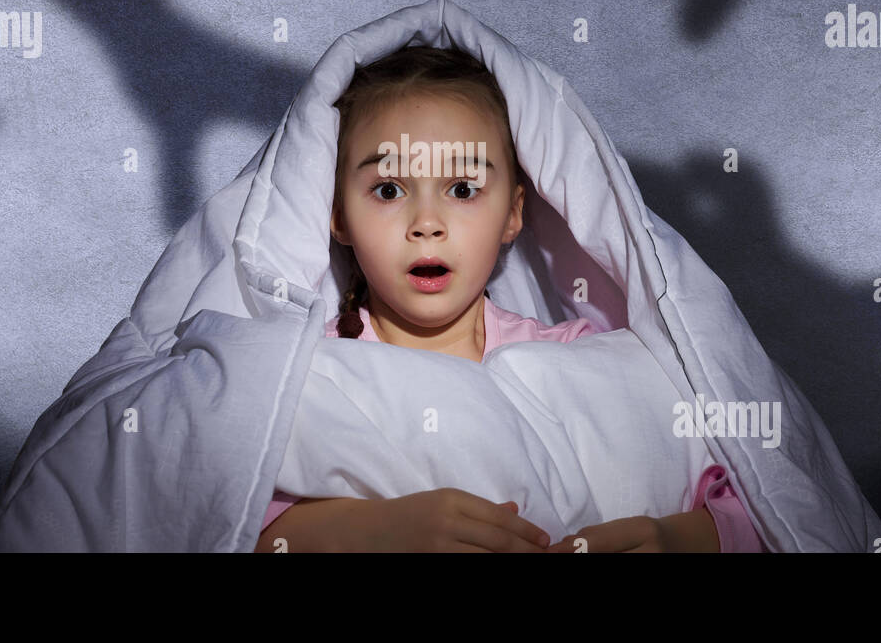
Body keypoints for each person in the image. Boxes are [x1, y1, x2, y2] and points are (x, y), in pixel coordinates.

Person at [256, 46, 766, 553]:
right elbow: (218, 512)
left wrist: (674, 537)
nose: (427, 224)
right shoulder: (306, 373)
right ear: (338, 216)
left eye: (462, 189)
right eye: (389, 190)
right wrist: (367, 531)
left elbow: (765, 502)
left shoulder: (583, 360)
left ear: (512, 214)